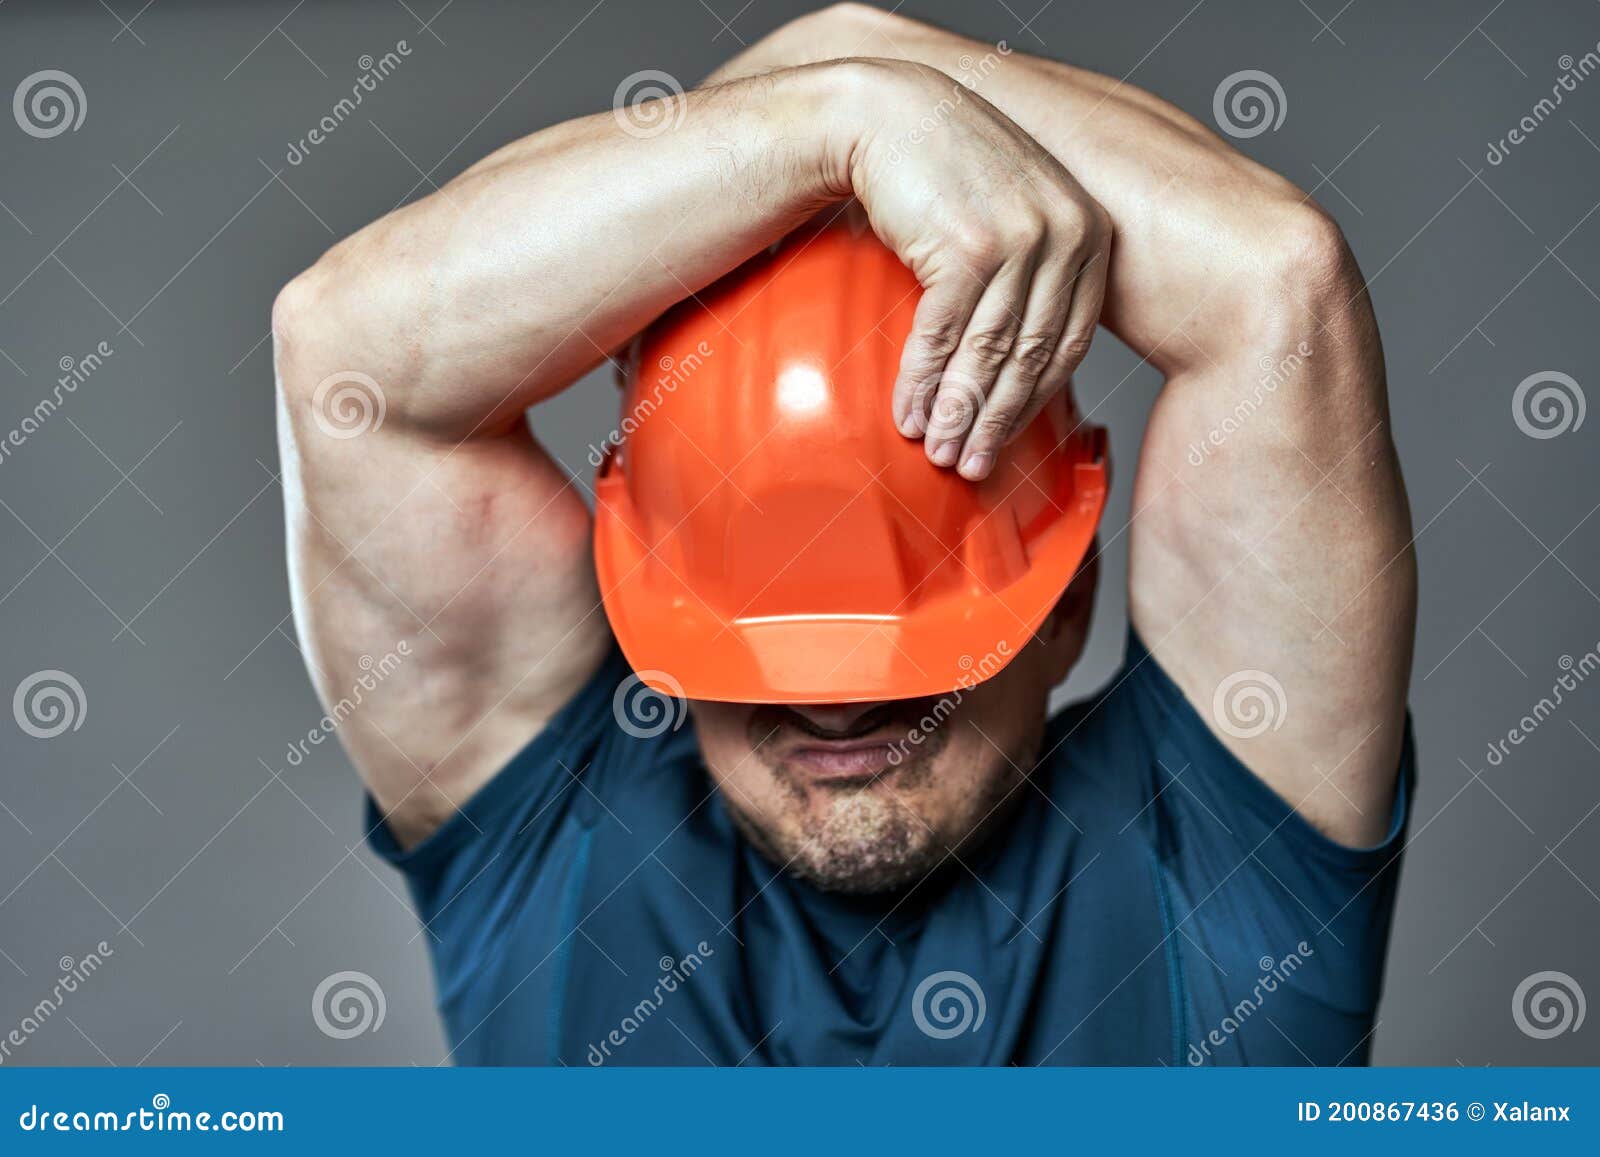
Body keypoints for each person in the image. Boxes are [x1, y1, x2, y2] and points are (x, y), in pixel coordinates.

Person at [270, 4, 1417, 1065]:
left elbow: (1276, 286)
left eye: (906, 648)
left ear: (1068, 603)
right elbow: (344, 353)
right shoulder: (555, 850)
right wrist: (848, 114)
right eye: (765, 648)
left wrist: (855, 59)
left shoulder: (1216, 866)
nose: (832, 704)